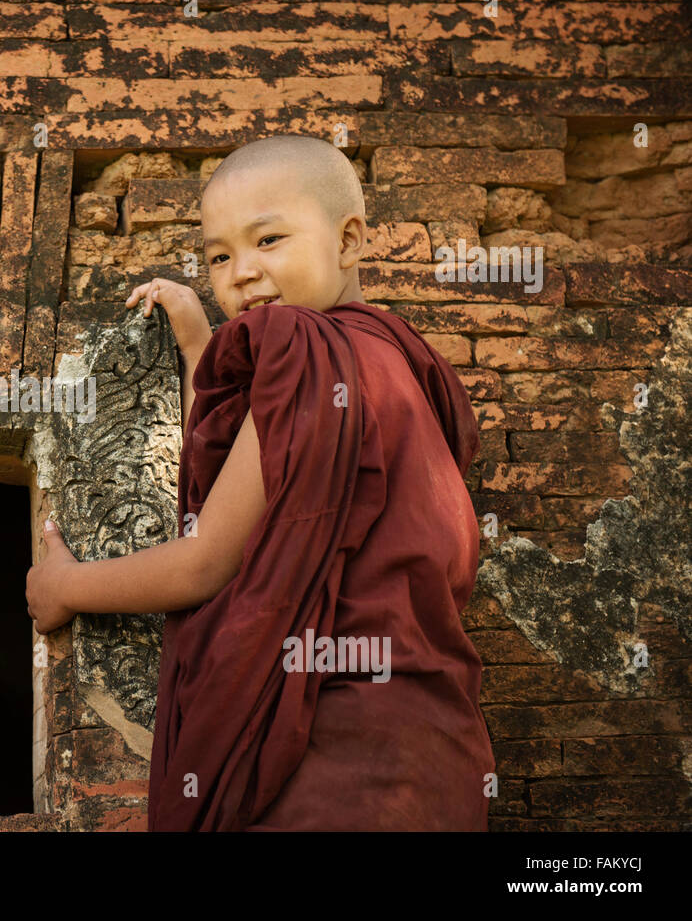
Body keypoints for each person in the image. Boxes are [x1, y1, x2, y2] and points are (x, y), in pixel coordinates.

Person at [25, 134, 495, 830]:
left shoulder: (312, 358)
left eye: (268, 240)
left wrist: (64, 588)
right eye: (219, 256)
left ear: (350, 239)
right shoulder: (405, 363)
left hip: (331, 764)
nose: (241, 273)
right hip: (437, 757)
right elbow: (241, 477)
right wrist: (198, 345)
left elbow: (209, 556)